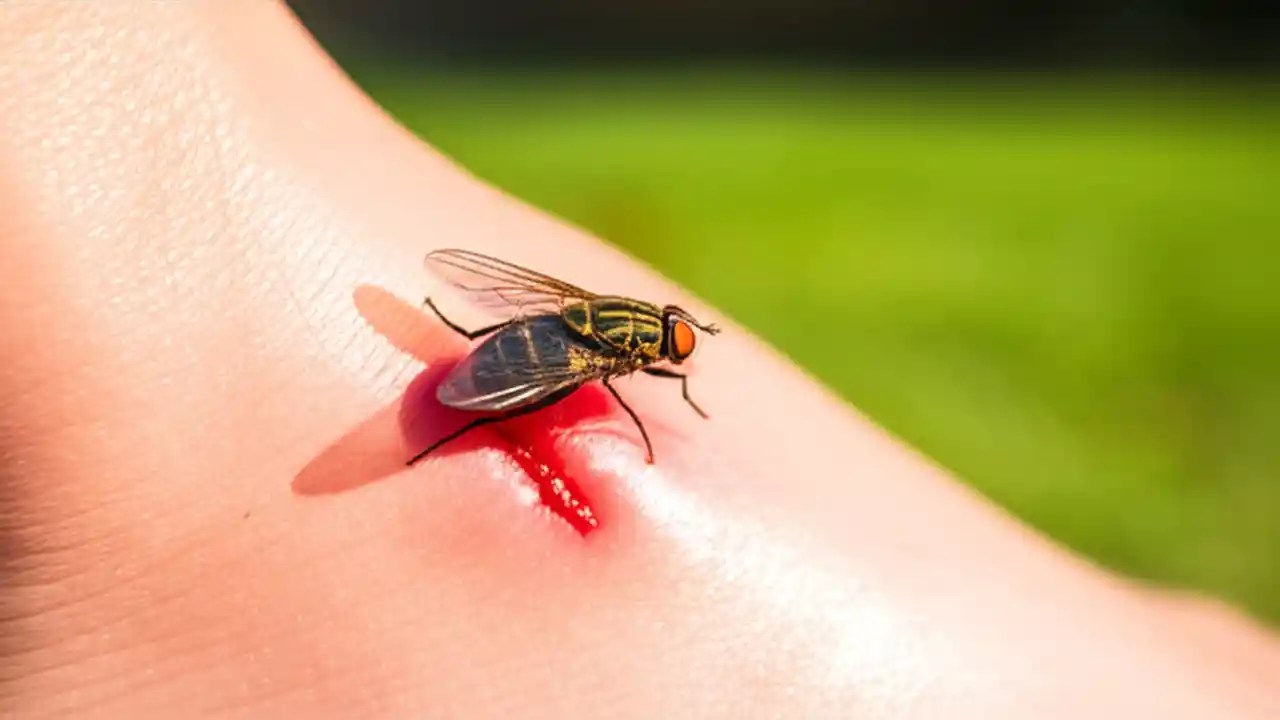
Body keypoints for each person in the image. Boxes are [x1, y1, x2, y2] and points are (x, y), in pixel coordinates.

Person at [1, 3, 1275, 717]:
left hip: (524, 335)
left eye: (667, 341)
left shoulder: (596, 327)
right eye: (667, 342)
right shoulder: (602, 361)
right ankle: (113, 435)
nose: (672, 346)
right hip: (509, 360)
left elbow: (520, 317)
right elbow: (533, 348)